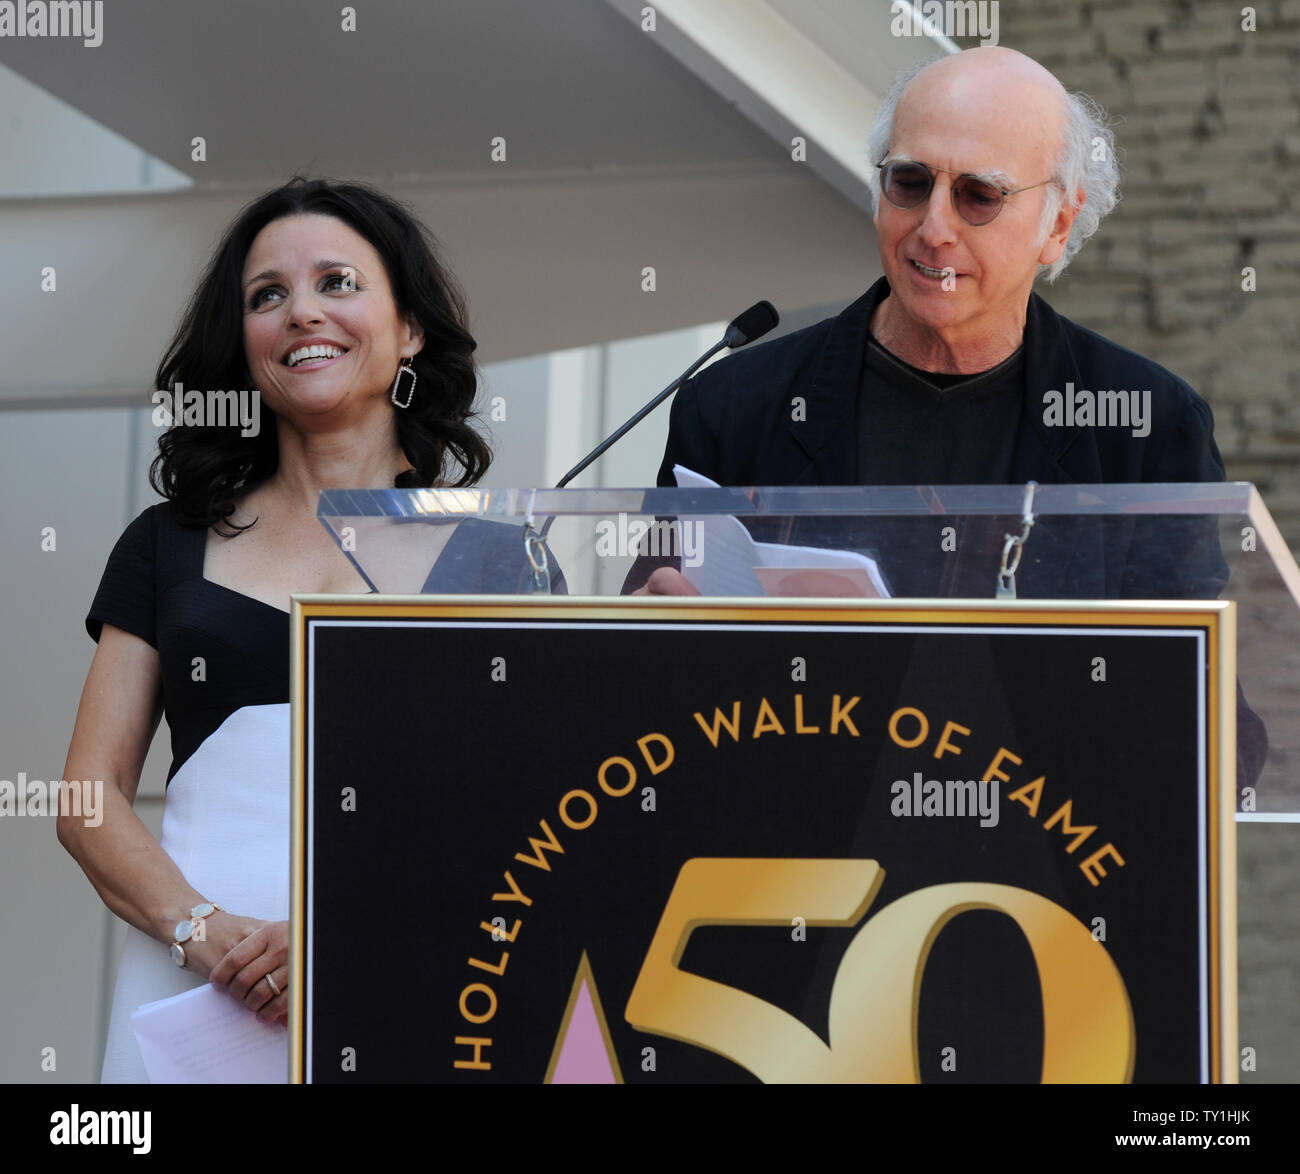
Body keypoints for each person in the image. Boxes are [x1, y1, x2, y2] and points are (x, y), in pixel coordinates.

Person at [628, 46, 1266, 779]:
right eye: (910, 182)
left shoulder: (1145, 424)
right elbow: (643, 651)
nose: (934, 227)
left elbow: (1216, 732)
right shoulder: (736, 404)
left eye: (978, 195)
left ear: (1058, 224)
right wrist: (644, 639)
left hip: (1039, 833)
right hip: (787, 817)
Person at [57, 177, 533, 1083]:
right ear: (243, 343)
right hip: (195, 990)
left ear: (411, 328)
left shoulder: (501, 558)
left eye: (337, 283)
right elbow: (87, 797)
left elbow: (528, 813)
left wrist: (354, 930)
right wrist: (207, 936)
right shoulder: (166, 543)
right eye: (267, 295)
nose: (302, 312)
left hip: (413, 983)